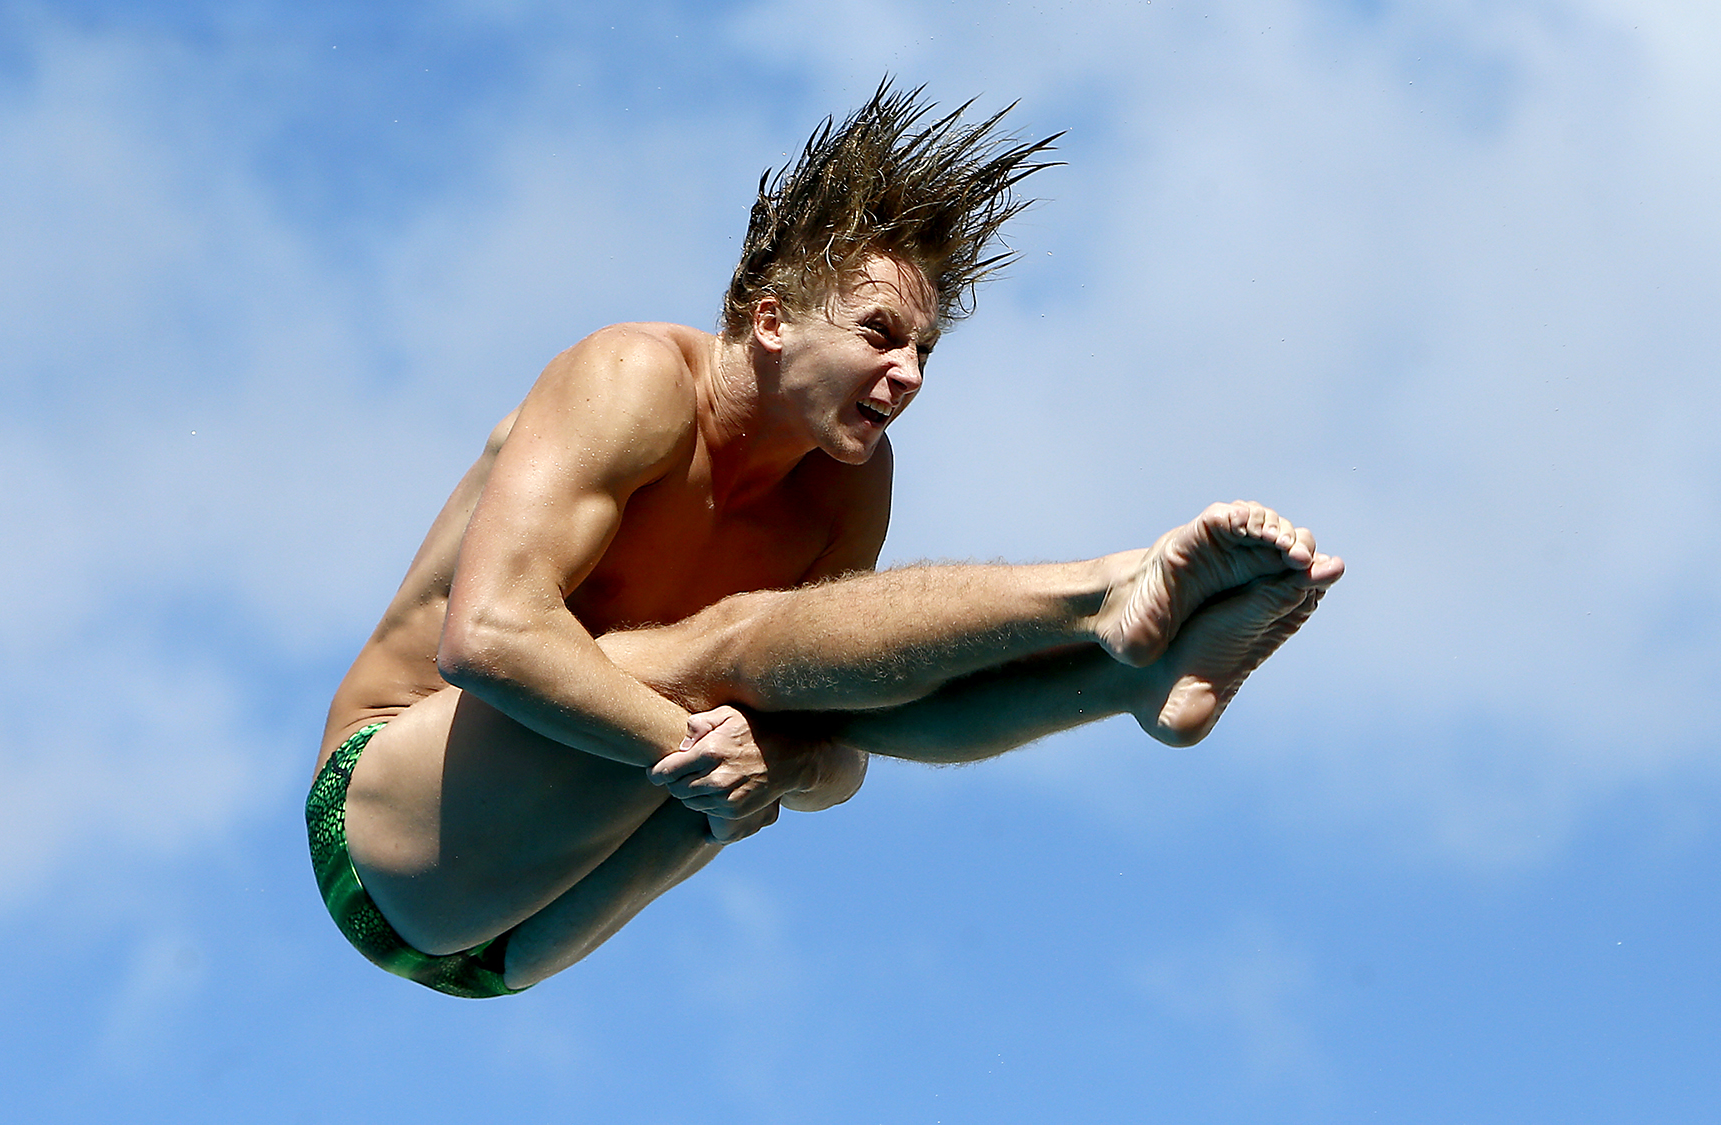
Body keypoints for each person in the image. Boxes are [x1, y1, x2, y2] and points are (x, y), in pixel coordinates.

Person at [307, 84, 1344, 999]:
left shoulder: (844, 487)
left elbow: (840, 752)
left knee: (790, 699)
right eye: (879, 335)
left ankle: (1124, 684)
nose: (909, 379)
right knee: (725, 652)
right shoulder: (632, 380)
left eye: (925, 352)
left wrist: (771, 768)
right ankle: (1107, 589)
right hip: (383, 833)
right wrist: (697, 745)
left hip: (529, 932)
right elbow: (485, 637)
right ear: (769, 321)